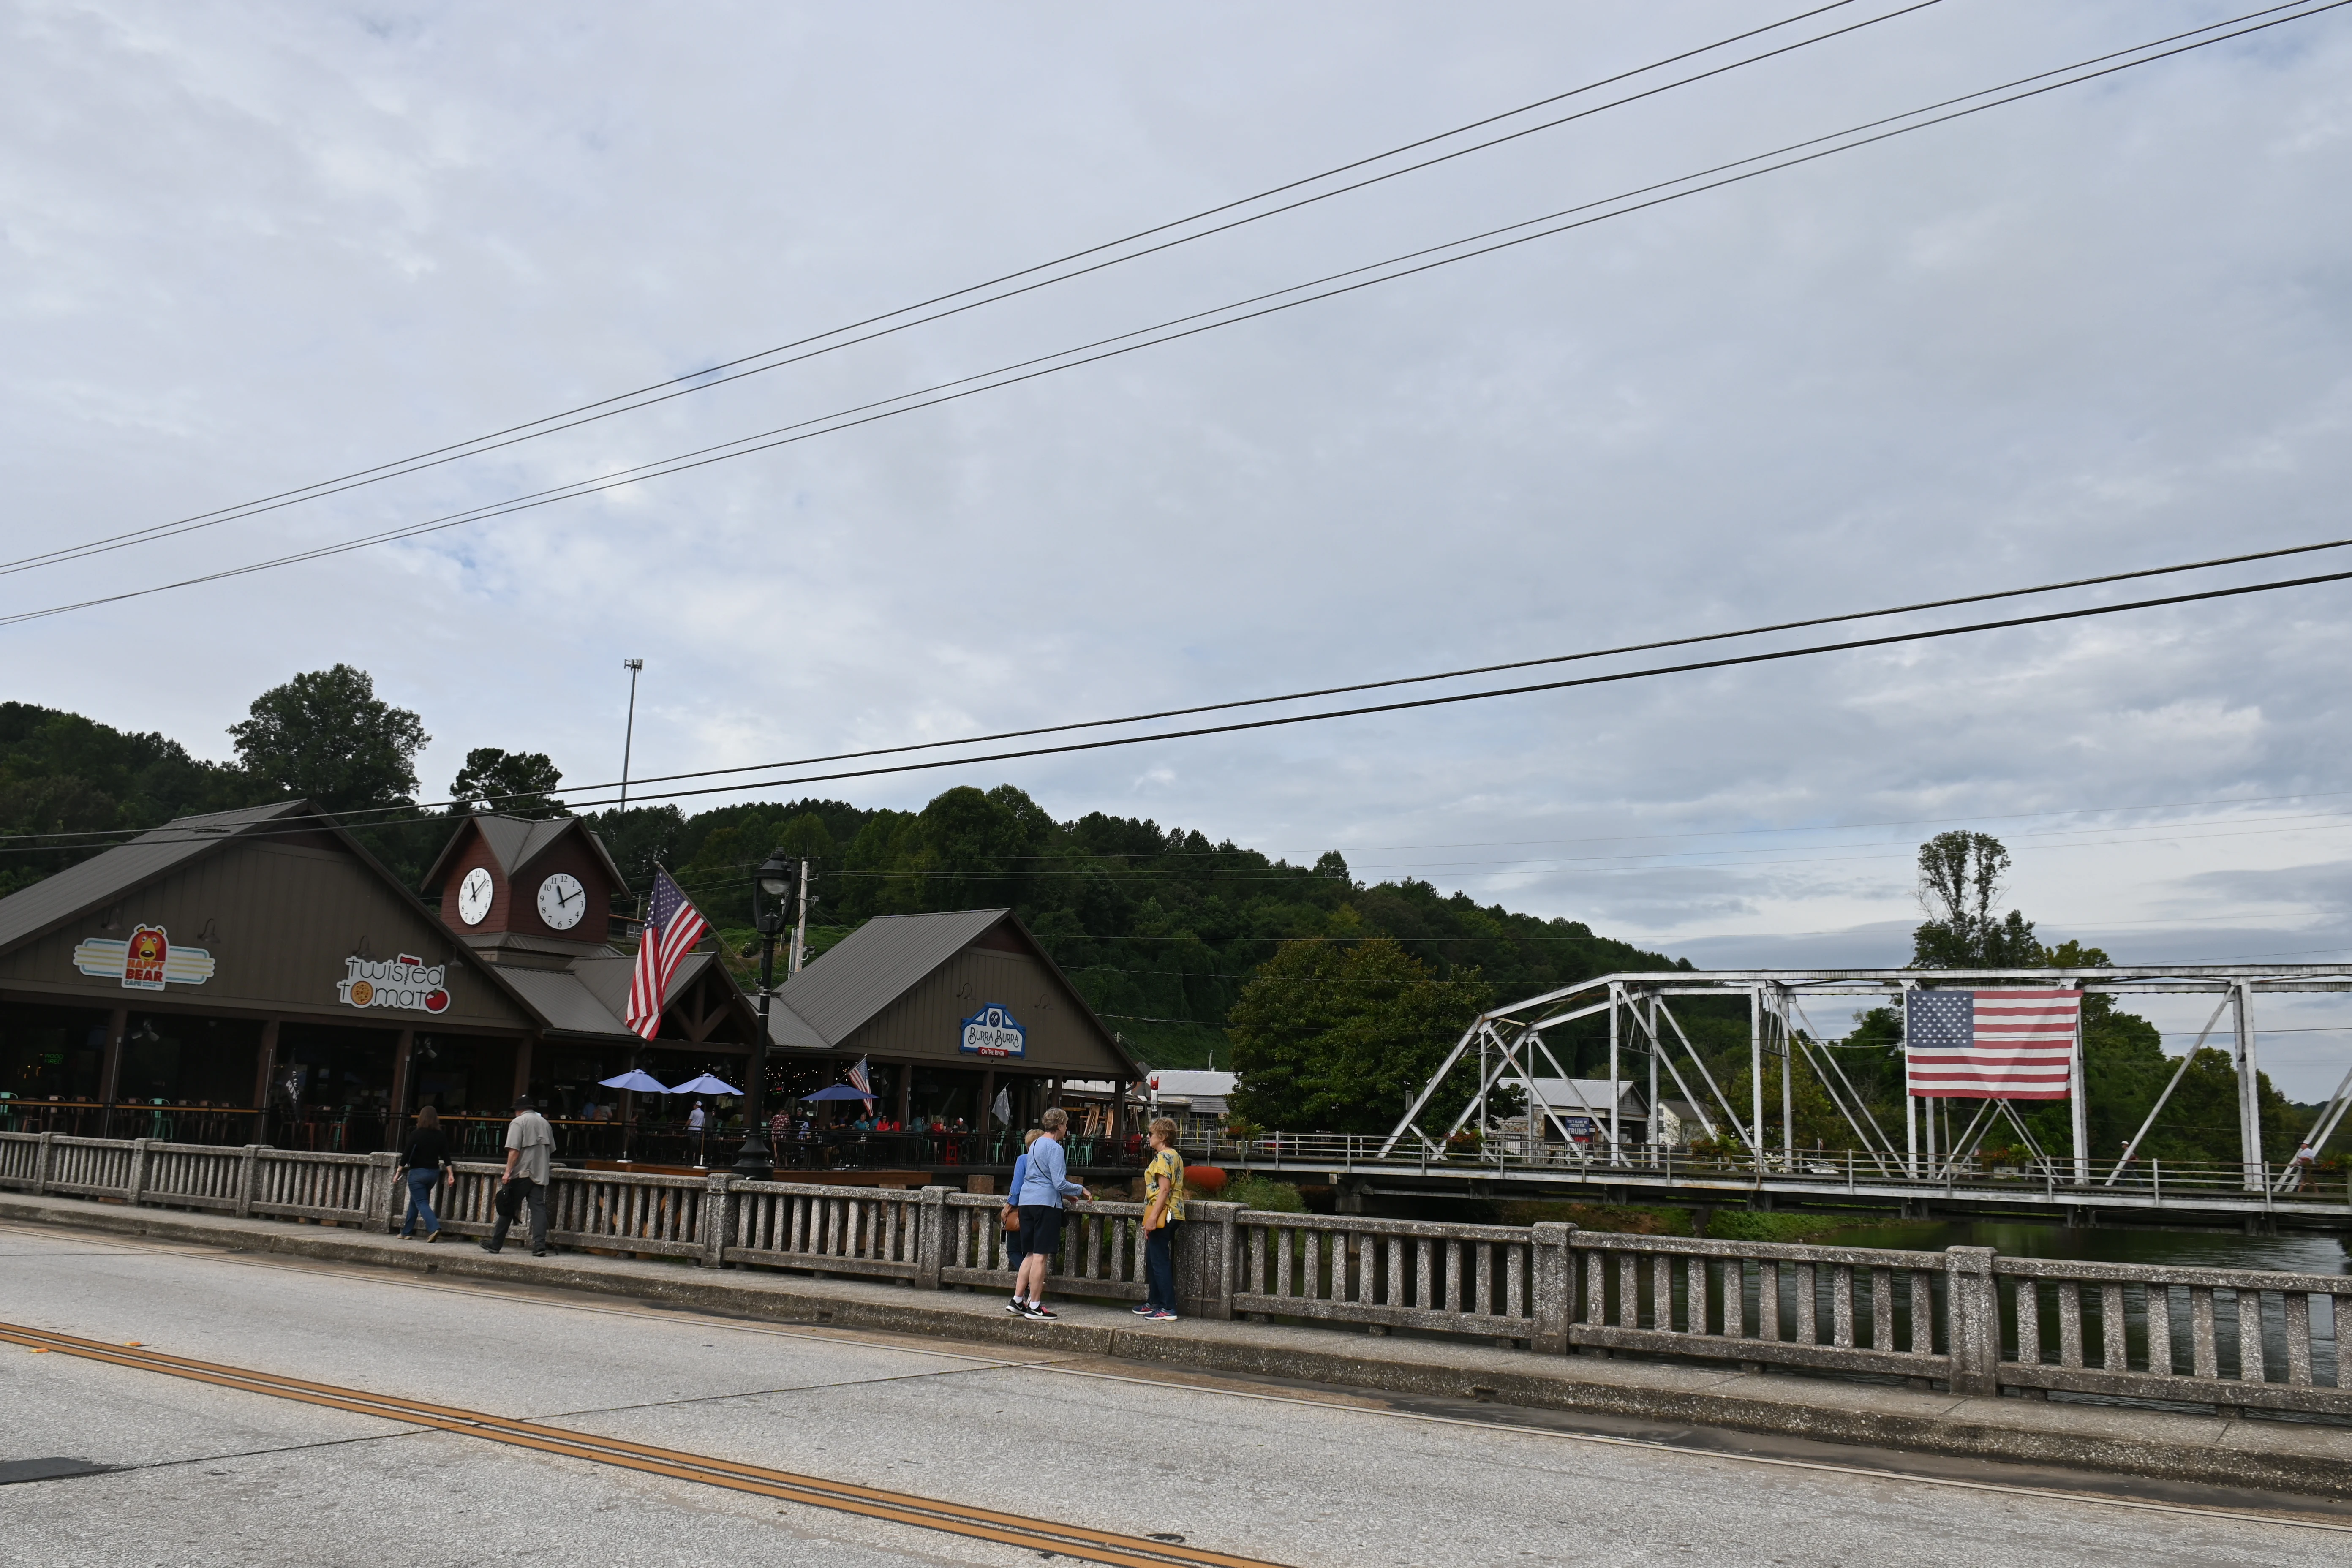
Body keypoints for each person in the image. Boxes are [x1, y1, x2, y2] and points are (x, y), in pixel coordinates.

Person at [1010, 1107, 1089, 1320]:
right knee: (1040, 1257)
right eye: (1065, 1125)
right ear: (1060, 1125)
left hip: (1027, 1203)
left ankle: (1018, 1300)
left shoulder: (1035, 1144)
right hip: (1045, 1205)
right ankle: (1035, 1305)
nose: (1066, 1129)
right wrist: (1079, 1190)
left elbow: (1039, 1177)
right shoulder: (1055, 1148)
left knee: (1029, 1253)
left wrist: (1064, 1196)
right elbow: (1058, 1182)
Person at [482, 1094, 555, 1256]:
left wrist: (508, 1172)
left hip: (522, 1172)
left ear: (519, 1110)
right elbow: (551, 1149)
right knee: (538, 1209)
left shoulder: (518, 1122)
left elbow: (514, 1150)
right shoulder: (545, 1123)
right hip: (540, 1172)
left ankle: (496, 1244)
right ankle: (540, 1245)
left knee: (507, 1207)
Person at [1135, 1116, 1186, 1321]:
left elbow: (1164, 1190)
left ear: (1162, 1136)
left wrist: (1152, 1219)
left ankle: (1167, 1307)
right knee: (1154, 1257)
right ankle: (1154, 1302)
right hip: (1175, 1212)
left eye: (1151, 1134)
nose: (1148, 1137)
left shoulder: (1163, 1158)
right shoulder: (1176, 1156)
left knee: (1159, 1261)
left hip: (1165, 1212)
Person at [1001, 1128, 1045, 1314]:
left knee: (1015, 1249)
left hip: (1023, 1211)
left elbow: (1017, 1187)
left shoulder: (1024, 1159)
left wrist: (1009, 1205)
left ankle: (1027, 1283)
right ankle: (1030, 1289)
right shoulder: (1045, 1160)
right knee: (1035, 1253)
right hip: (1041, 1208)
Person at [395, 1105, 454, 1242]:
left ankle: (434, 1228)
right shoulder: (441, 1135)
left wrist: (398, 1172)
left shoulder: (416, 1134)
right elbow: (446, 1156)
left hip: (417, 1173)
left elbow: (406, 1154)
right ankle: (406, 1231)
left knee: (421, 1202)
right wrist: (451, 1174)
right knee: (415, 1201)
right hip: (433, 1174)